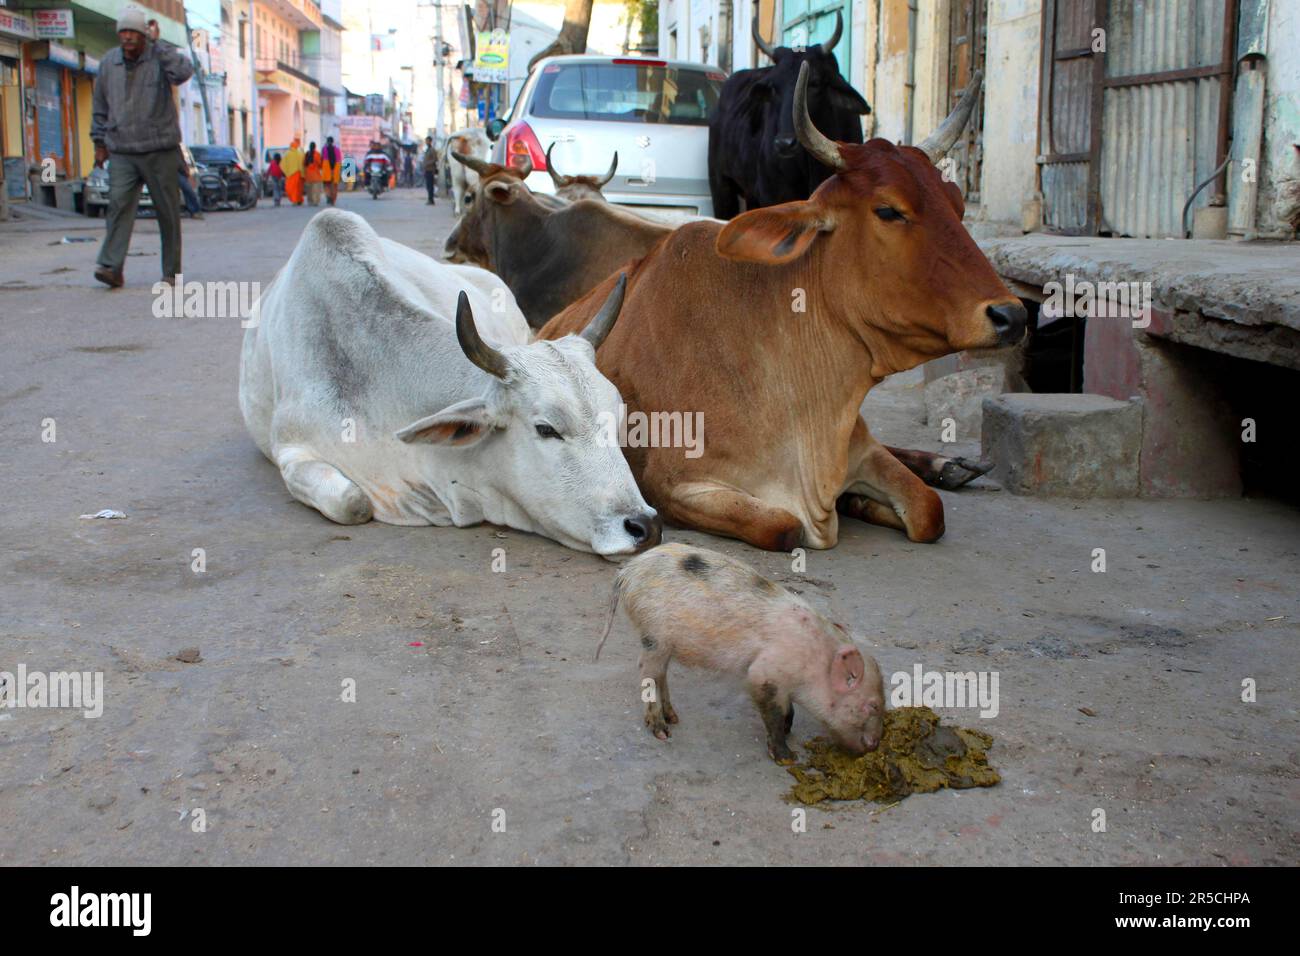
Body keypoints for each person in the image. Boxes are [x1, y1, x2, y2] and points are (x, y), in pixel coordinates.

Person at [90, 5, 193, 288]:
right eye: (123, 32)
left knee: (168, 212)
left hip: (160, 149)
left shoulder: (159, 58)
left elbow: (183, 72)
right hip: (122, 149)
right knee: (117, 206)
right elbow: (100, 106)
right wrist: (99, 143)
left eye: (133, 32)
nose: (127, 38)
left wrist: (158, 44)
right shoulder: (108, 63)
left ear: (144, 35)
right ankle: (111, 266)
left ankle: (171, 272)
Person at [178, 151, 204, 220]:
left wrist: (186, 170)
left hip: (179, 171)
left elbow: (182, 159)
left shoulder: (177, 148)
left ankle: (195, 211)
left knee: (188, 190)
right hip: (166, 171)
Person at [281, 138, 304, 205]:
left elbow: (282, 164)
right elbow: (302, 163)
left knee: (290, 188)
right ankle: (298, 199)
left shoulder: (287, 154)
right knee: (298, 188)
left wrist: (286, 172)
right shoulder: (300, 153)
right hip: (299, 173)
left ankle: (295, 200)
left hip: (290, 174)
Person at [320, 136, 341, 205]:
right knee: (334, 186)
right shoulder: (337, 150)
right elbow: (339, 161)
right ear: (333, 142)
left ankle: (328, 196)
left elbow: (321, 159)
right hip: (335, 169)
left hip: (327, 169)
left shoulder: (324, 149)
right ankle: (333, 200)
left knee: (326, 185)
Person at [304, 141, 322, 206]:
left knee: (309, 190)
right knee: (316, 190)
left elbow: (304, 164)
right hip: (316, 175)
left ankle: (310, 201)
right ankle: (315, 201)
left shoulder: (306, 154)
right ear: (315, 147)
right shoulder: (317, 154)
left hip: (308, 175)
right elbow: (320, 164)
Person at [421, 136, 438, 205]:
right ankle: (430, 199)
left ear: (430, 141)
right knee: (428, 186)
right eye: (426, 141)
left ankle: (431, 200)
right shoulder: (427, 150)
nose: (426, 142)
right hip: (426, 170)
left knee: (430, 186)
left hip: (431, 170)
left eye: (427, 141)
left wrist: (428, 163)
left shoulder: (432, 150)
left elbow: (435, 159)